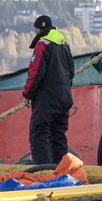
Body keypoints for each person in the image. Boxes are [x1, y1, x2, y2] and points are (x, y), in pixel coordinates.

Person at [22, 15, 75, 165]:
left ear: (38, 29)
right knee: (58, 136)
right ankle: (61, 173)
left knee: (39, 134)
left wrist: (27, 94)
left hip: (47, 100)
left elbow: (36, 72)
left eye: (35, 30)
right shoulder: (63, 43)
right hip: (64, 97)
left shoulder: (43, 43)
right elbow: (71, 71)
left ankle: (44, 173)